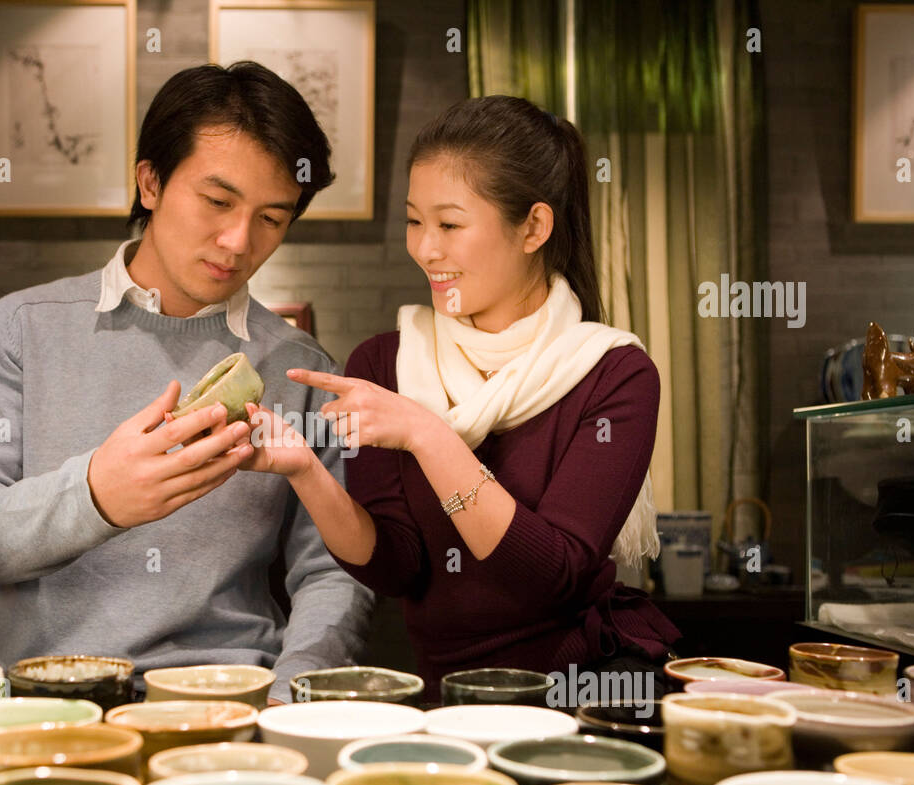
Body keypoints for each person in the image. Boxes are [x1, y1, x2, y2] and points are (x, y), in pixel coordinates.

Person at [0, 62, 375, 705]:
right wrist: (96, 497)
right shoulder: (23, 328)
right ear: (151, 182)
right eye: (217, 201)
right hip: (42, 706)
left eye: (272, 218)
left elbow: (335, 570)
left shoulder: (297, 365)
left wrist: (291, 690)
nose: (238, 241)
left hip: (228, 698)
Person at [239, 96, 681, 703]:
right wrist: (306, 473)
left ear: (533, 227)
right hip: (450, 696)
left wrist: (428, 435)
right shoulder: (384, 364)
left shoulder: (613, 373)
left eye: (449, 224)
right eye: (414, 221)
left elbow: (552, 578)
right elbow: (398, 567)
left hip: (584, 693)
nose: (425, 248)